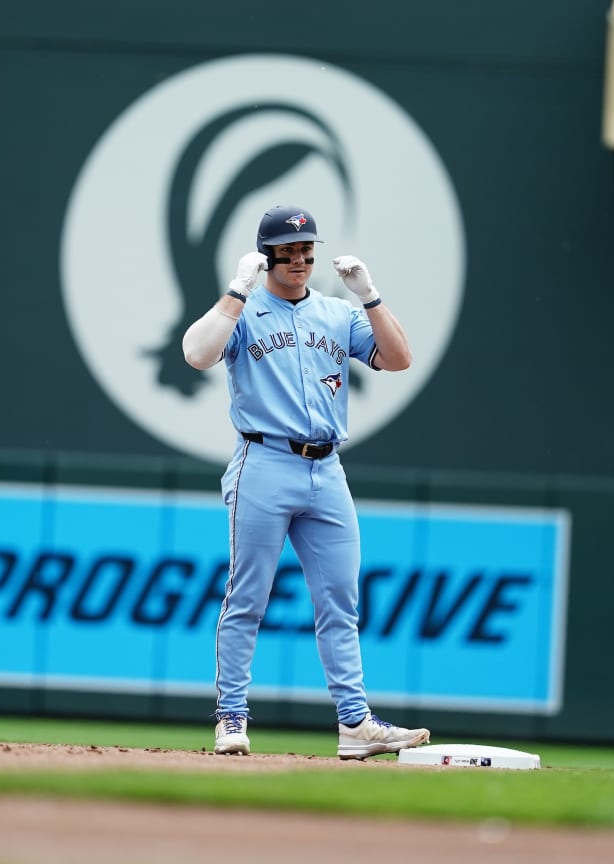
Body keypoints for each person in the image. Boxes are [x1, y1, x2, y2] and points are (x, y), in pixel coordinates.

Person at [180, 204, 431, 760]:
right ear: (266, 257)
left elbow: (399, 358)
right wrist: (235, 290)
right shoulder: (244, 310)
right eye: (286, 252)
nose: (298, 260)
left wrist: (370, 295)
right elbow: (197, 354)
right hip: (264, 461)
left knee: (340, 600)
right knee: (247, 597)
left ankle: (354, 723)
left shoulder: (337, 313)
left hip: (326, 467)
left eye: (305, 251)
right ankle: (231, 717)